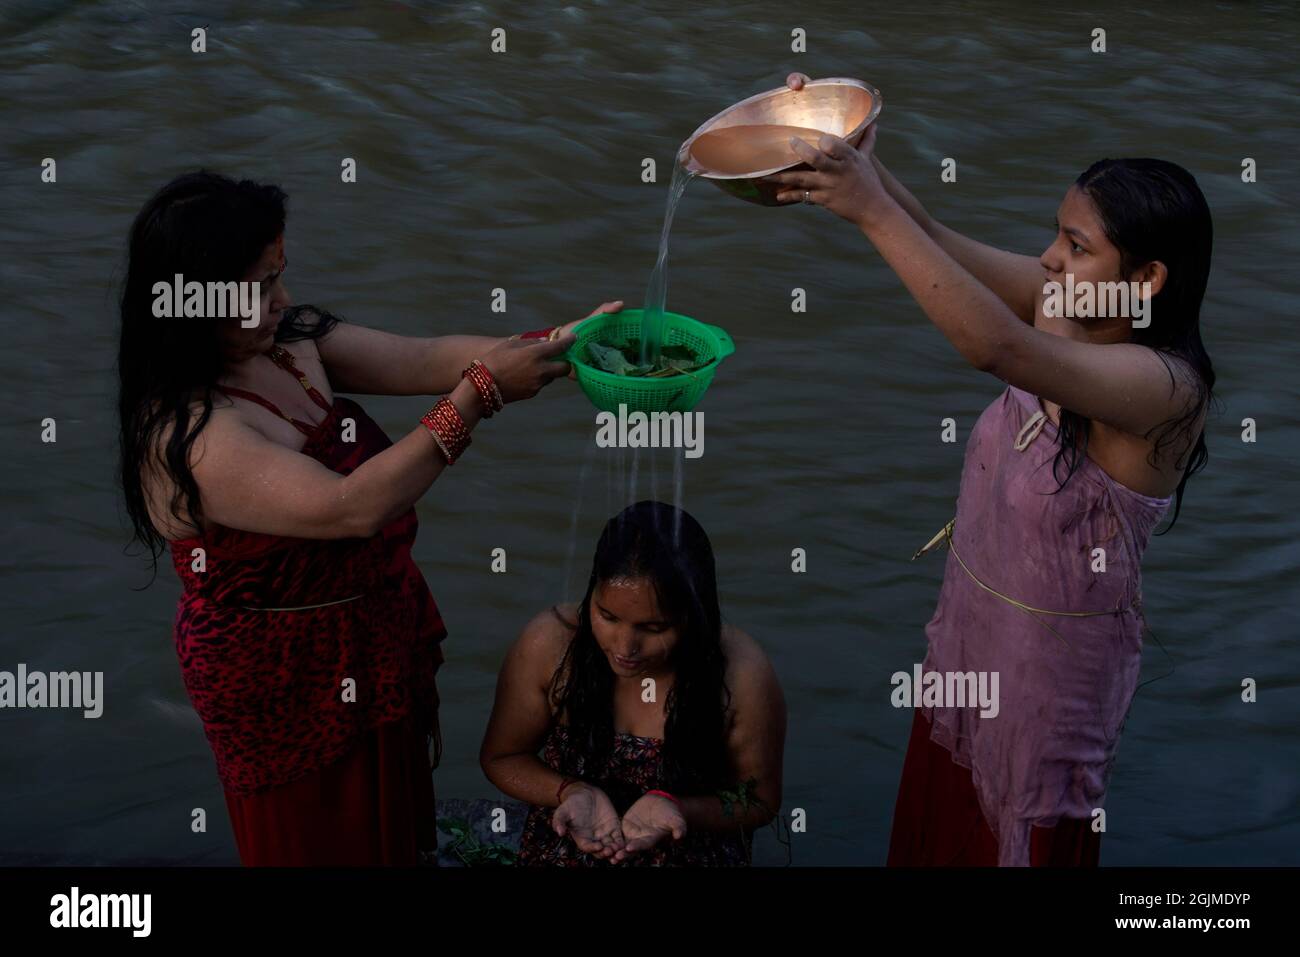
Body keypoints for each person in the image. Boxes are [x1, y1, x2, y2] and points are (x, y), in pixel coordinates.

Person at [117, 169, 623, 865]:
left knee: (393, 829)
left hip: (369, 630)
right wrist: (478, 395)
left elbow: (428, 358)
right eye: (261, 286)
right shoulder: (194, 434)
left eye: (279, 276)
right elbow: (353, 506)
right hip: (277, 674)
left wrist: (567, 342)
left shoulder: (292, 344)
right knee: (318, 839)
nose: (282, 299)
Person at [773, 74, 1215, 865]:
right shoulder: (1070, 302)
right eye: (1057, 234)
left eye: (1077, 247)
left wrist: (869, 206)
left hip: (1049, 681)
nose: (1050, 258)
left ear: (1146, 281)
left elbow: (997, 350)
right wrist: (858, 164)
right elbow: (938, 239)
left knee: (1017, 834)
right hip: (972, 639)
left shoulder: (1163, 388)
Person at [480, 501, 786, 866]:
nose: (625, 648)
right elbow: (503, 757)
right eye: (607, 616)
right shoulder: (550, 645)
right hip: (573, 838)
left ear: (694, 614)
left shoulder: (740, 673)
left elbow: (760, 800)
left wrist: (680, 809)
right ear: (592, 592)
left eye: (653, 628)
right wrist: (570, 791)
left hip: (691, 848)